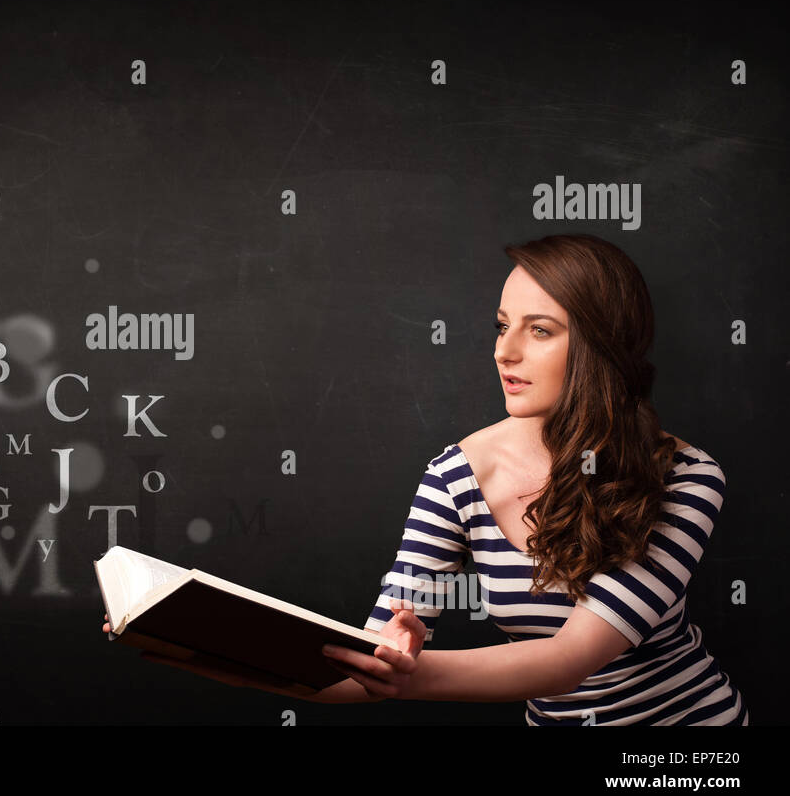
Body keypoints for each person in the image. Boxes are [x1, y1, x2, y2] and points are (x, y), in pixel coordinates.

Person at [104, 234, 748, 725]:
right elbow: (369, 664)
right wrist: (214, 652)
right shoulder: (455, 476)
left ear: (602, 348)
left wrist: (407, 677)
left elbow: (571, 657)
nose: (504, 351)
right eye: (502, 326)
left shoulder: (686, 476)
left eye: (540, 331)